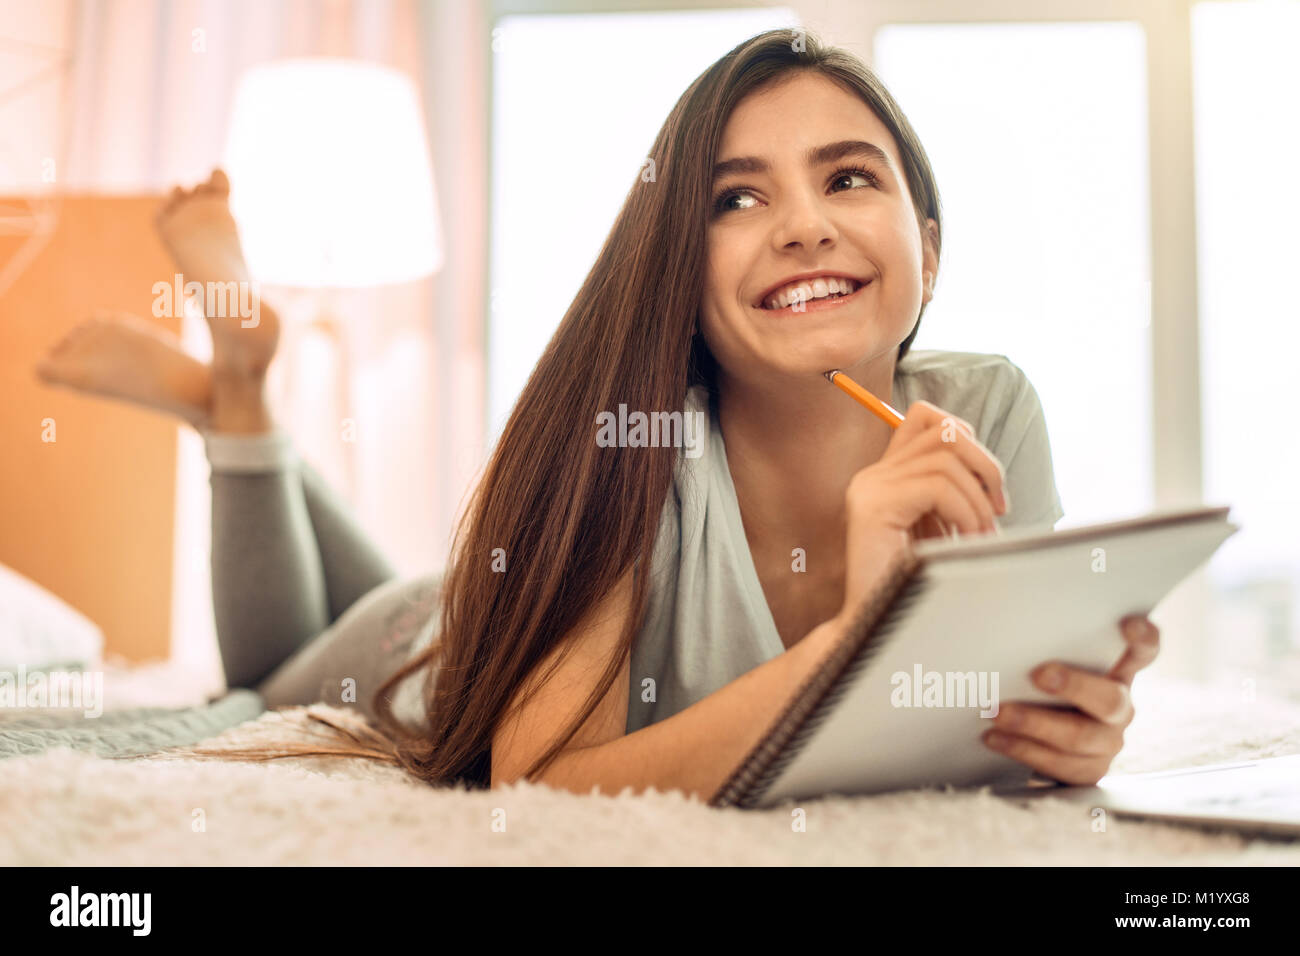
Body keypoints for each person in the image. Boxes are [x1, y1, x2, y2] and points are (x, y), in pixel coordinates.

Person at [36, 28, 1160, 802]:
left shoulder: (992, 407)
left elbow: (962, 715)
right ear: (677, 273)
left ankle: (236, 404)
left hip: (466, 588)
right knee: (269, 668)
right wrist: (844, 647)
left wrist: (1053, 726)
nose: (805, 224)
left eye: (849, 177)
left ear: (929, 242)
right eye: (737, 197)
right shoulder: (629, 435)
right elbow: (545, 783)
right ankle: (237, 400)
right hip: (427, 641)